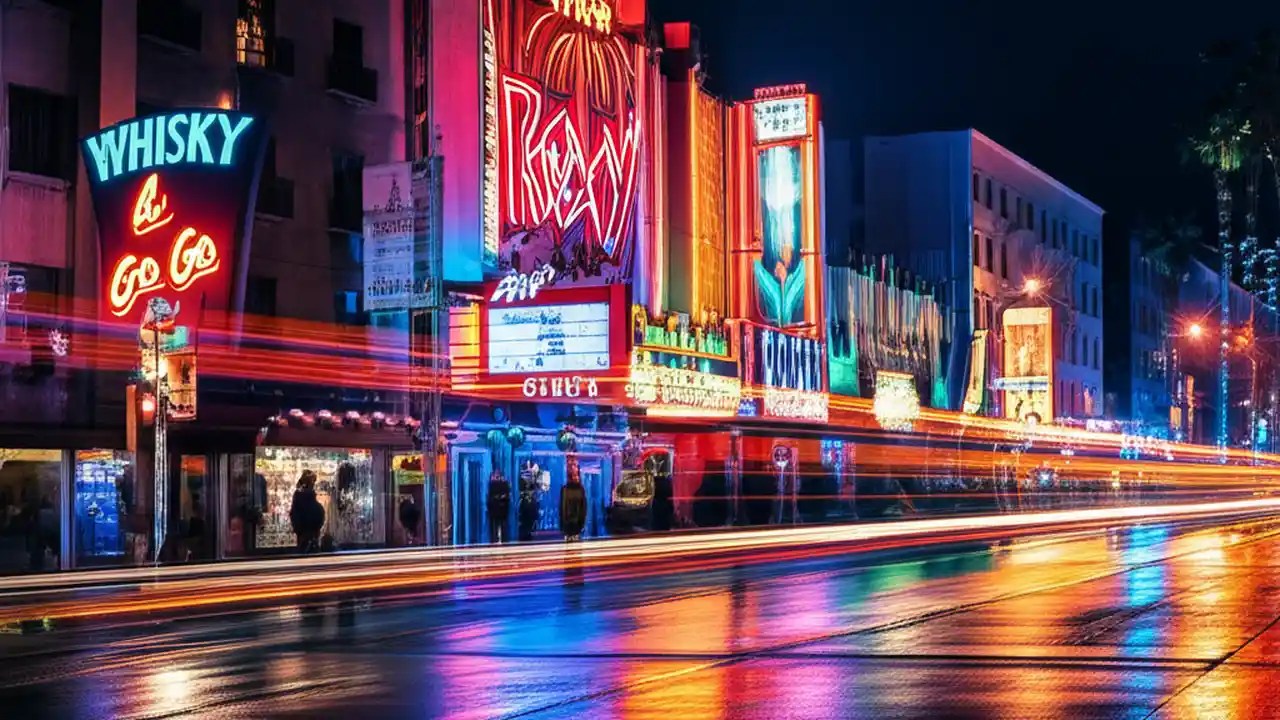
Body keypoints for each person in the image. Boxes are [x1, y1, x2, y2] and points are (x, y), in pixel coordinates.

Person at [289, 470, 325, 553]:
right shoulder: (307, 498)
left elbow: (294, 516)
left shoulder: (299, 497)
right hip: (308, 533)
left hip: (304, 534)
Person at [559, 460, 587, 542]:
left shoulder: (579, 489)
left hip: (574, 524)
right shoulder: (566, 489)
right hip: (572, 524)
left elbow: (583, 507)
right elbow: (562, 508)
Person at [486, 470, 511, 543]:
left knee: (502, 525)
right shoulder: (492, 485)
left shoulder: (503, 484)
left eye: (497, 476)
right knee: (495, 526)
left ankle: (502, 539)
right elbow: (490, 497)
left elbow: (507, 496)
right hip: (495, 510)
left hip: (501, 510)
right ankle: (495, 539)